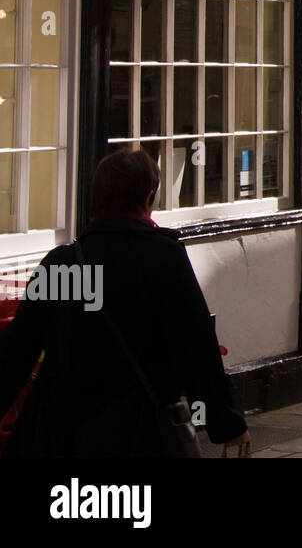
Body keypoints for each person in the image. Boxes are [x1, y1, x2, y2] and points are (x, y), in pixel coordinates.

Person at [0, 149, 250, 456]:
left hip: (62, 434)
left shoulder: (61, 264)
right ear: (147, 198)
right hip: (141, 433)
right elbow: (196, 347)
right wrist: (226, 423)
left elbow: (16, 353)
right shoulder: (163, 258)